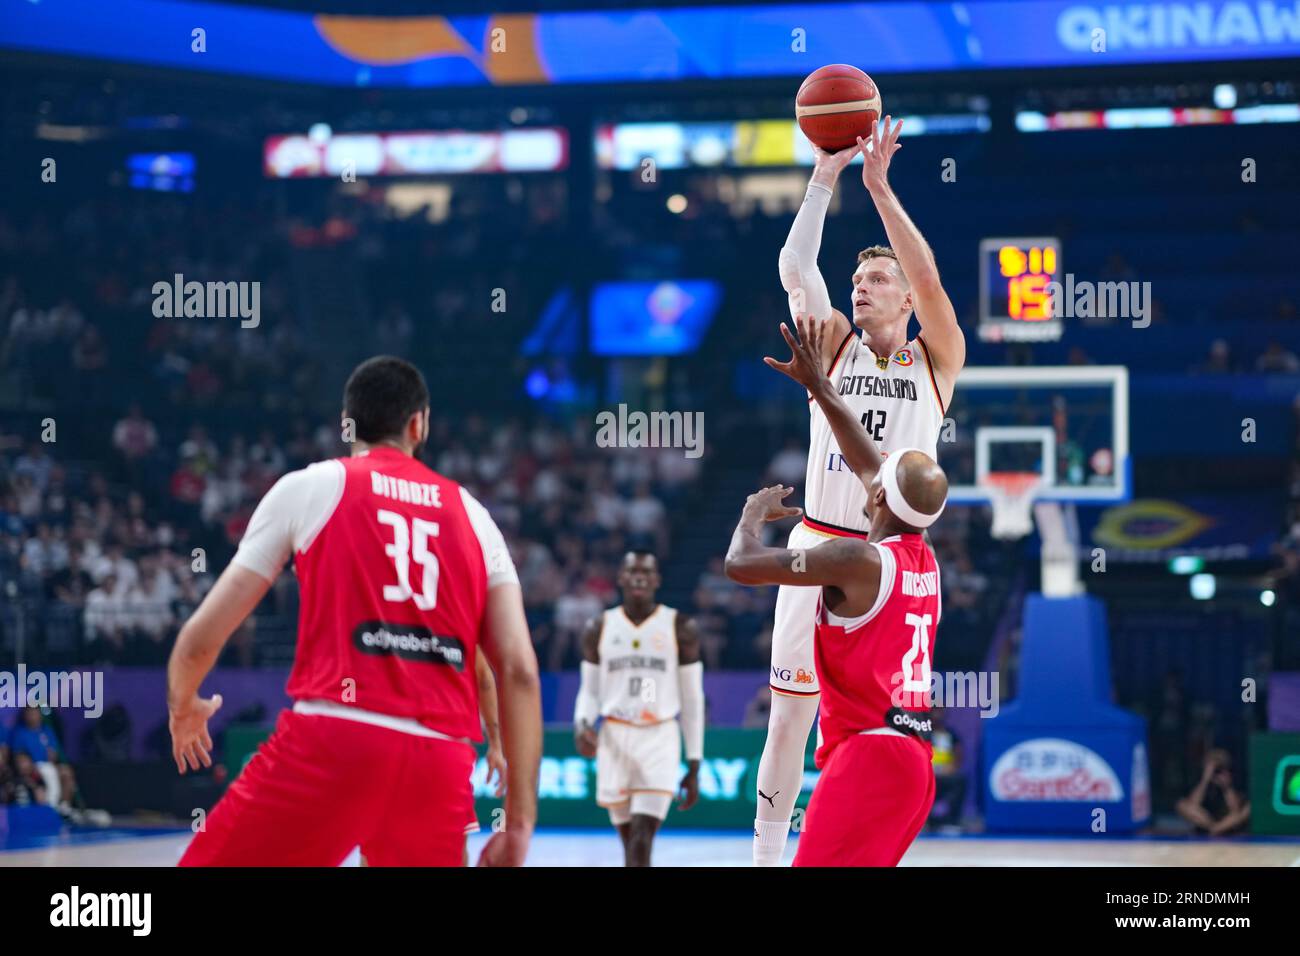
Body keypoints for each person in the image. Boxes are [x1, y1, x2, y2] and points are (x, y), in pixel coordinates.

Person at [168, 356, 542, 866]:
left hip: (335, 737)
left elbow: (202, 638)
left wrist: (183, 702)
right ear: (419, 424)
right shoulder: (476, 517)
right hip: (438, 759)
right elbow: (518, 670)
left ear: (348, 424)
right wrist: (519, 823)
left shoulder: (311, 487)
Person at [754, 116, 965, 865]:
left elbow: (933, 278)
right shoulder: (833, 344)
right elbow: (793, 264)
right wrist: (824, 175)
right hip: (817, 542)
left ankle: (854, 837)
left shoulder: (936, 361)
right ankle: (765, 857)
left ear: (906, 297)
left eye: (877, 280)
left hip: (887, 562)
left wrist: (878, 186)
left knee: (867, 727)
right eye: (858, 280)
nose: (861, 287)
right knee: (789, 718)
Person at [726, 315, 946, 866]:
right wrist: (819, 387)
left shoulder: (855, 560)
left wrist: (752, 515)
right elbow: (867, 459)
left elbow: (741, 564)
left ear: (876, 498)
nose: (869, 473)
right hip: (916, 764)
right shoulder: (924, 557)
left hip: (867, 757)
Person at [573, 551, 705, 866]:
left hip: (659, 735)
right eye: (632, 571)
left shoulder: (680, 626)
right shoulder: (599, 626)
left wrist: (694, 761)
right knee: (631, 843)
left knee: (642, 838)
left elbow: (692, 699)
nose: (639, 577)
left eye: (646, 572)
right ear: (620, 577)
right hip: (615, 735)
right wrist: (581, 724)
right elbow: (590, 691)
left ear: (657, 580)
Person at [1176, 749, 1251, 836]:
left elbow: (1236, 810)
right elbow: (1192, 805)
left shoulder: (1232, 778)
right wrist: (1205, 780)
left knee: (1246, 810)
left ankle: (1216, 829)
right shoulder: (1202, 779)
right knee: (1181, 804)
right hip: (1206, 820)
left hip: (1227, 822)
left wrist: (1227, 787)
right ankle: (1213, 828)